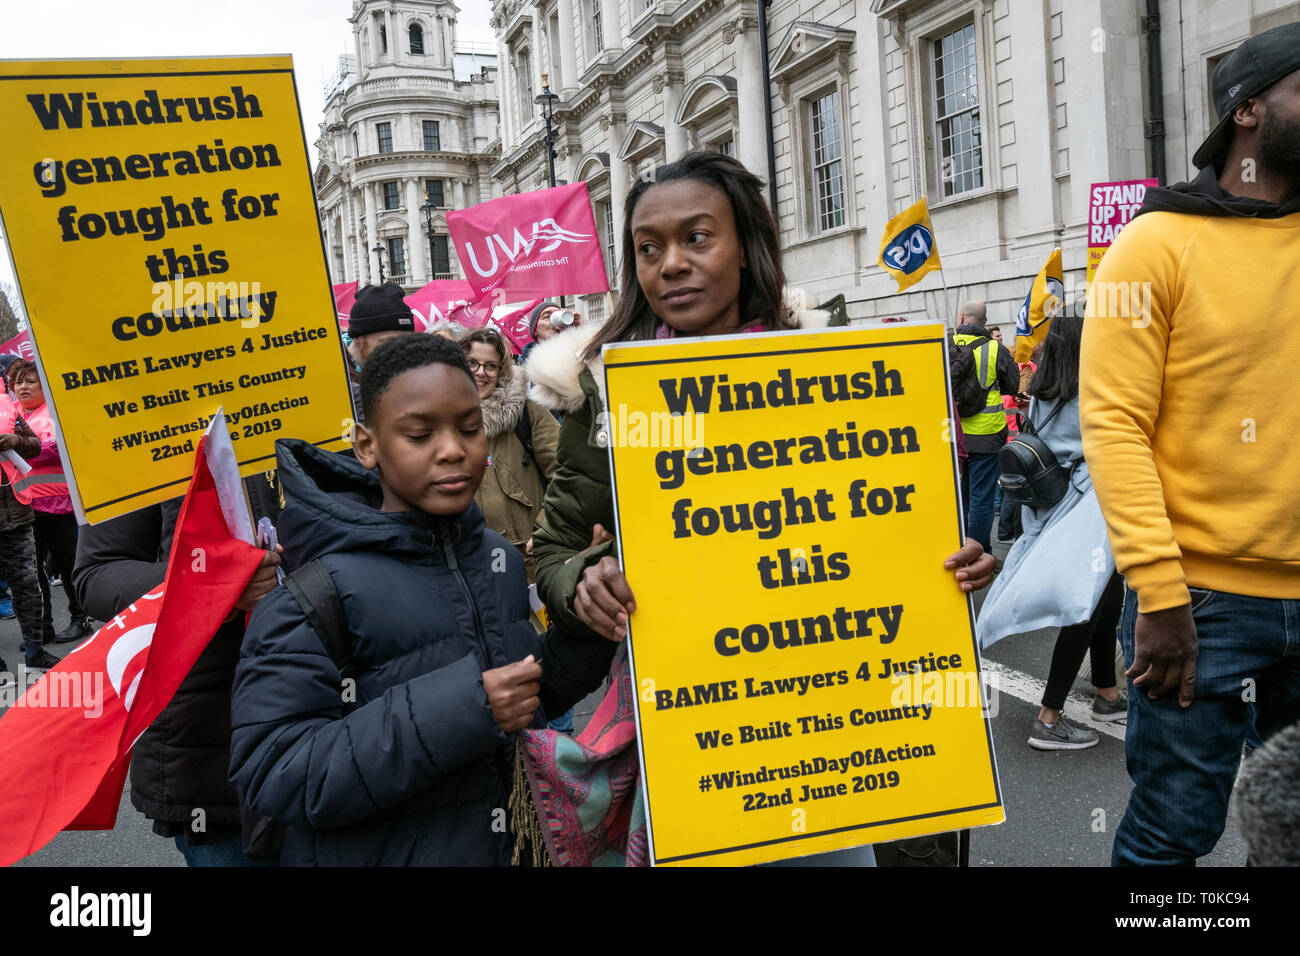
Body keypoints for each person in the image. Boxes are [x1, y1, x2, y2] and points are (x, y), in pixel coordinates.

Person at [525, 152, 996, 865]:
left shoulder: (835, 374)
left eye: (697, 238)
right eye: (648, 249)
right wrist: (587, 579)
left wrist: (952, 564)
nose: (671, 264)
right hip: (700, 737)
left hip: (831, 731)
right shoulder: (605, 397)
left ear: (746, 247)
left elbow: (883, 531)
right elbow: (553, 552)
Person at [227, 335, 614, 865]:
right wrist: (467, 708)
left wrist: (591, 618)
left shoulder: (496, 562)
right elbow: (274, 769)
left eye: (469, 428)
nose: (453, 448)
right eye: (419, 433)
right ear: (367, 445)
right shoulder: (313, 593)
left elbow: (528, 696)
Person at [1080, 21, 1300, 866]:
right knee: (1174, 832)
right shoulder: (1155, 244)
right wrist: (1160, 595)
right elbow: (1115, 423)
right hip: (1203, 605)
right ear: (1248, 109)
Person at [74, 476, 283, 866]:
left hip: (353, 729)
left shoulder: (337, 421)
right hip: (211, 750)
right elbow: (97, 574)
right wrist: (213, 584)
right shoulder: (130, 428)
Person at [976, 314, 1125, 750]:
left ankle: (1107, 692)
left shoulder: (1043, 392)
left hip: (1049, 503)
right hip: (1082, 510)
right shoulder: (1091, 392)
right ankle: (1049, 718)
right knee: (1085, 603)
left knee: (1107, 593)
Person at [461, 326, 559, 582]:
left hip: (524, 561)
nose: (480, 373)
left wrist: (545, 527)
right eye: (471, 362)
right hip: (466, 563)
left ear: (500, 371)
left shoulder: (525, 408)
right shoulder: (440, 418)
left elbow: (567, 471)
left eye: (490, 366)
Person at [6, 360, 92, 643]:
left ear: (45, 387)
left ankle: (81, 617)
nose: (23, 387)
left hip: (57, 504)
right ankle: (43, 626)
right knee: (34, 573)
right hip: (24, 507)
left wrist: (18, 443)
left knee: (68, 566)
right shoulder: (10, 414)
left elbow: (55, 450)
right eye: (18, 382)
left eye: (31, 381)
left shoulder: (52, 414)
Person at [952, 301, 1021, 553]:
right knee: (981, 498)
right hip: (987, 433)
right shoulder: (995, 348)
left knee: (963, 498)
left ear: (961, 317)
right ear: (984, 321)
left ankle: (962, 547)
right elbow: (1012, 385)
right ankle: (980, 553)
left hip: (953, 436)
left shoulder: (946, 344)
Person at [0, 394, 59, 671]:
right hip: (15, 512)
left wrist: (16, 442)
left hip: (17, 514)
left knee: (27, 586)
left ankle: (35, 651)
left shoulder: (4, 403)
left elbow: (34, 446)